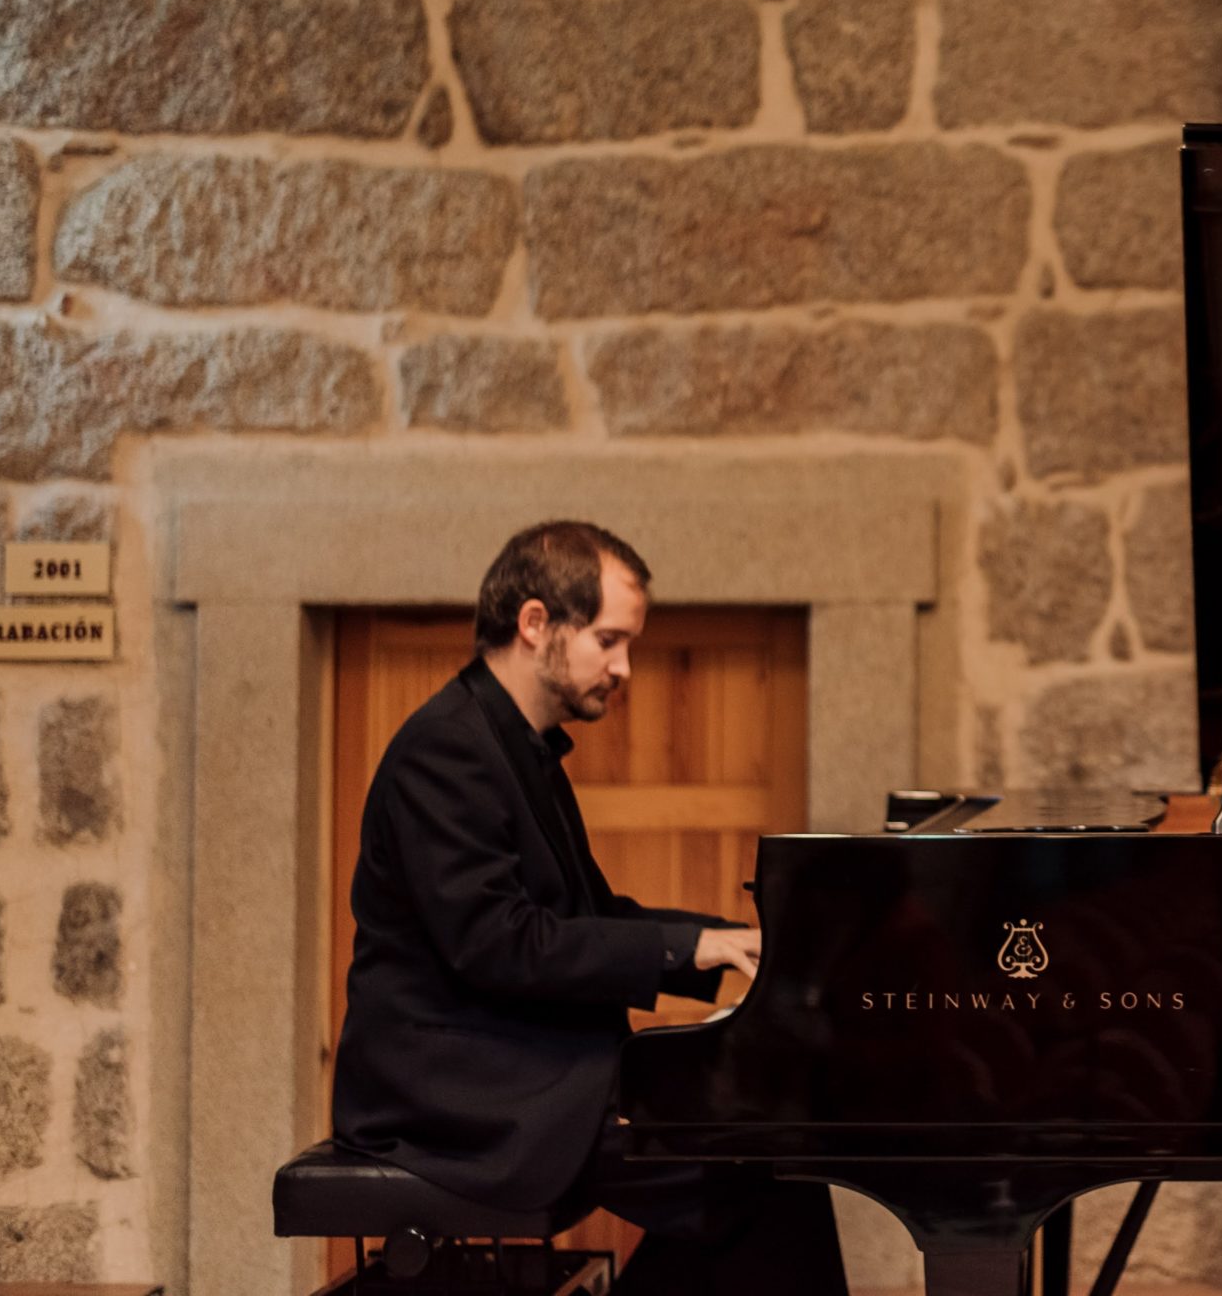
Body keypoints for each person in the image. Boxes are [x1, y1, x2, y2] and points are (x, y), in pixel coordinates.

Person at [331, 520, 847, 1295]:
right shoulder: (447, 750)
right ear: (536, 624)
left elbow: (590, 913)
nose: (624, 666)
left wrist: (725, 939)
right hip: (454, 1095)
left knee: (773, 1159)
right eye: (609, 640)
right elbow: (499, 944)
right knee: (757, 1167)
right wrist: (688, 953)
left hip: (520, 1065)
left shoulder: (518, 749)